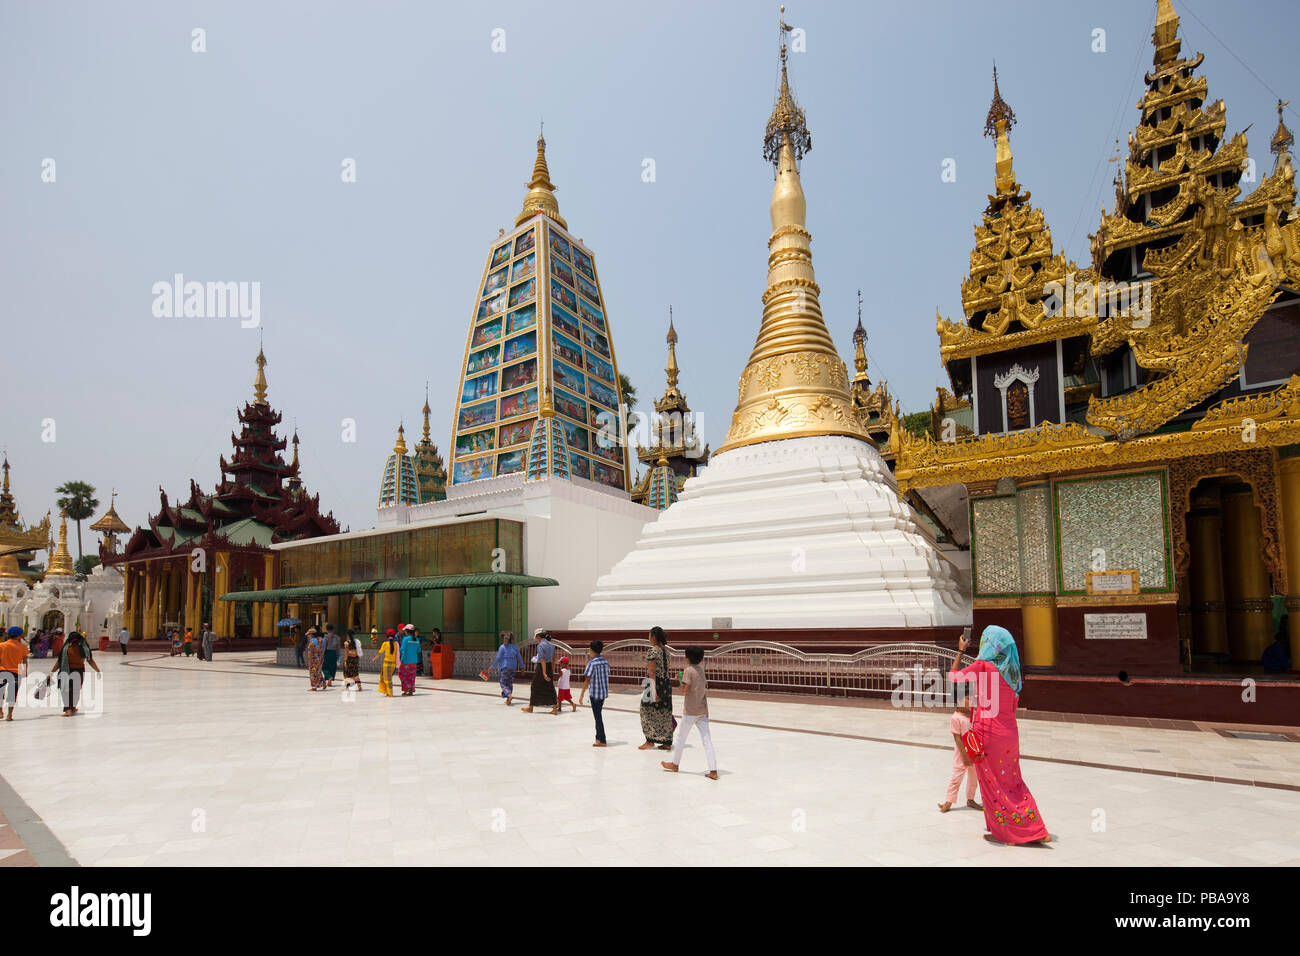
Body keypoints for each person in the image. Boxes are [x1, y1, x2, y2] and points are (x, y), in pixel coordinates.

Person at [949, 625, 1049, 846]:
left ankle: (1009, 833)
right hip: (1010, 735)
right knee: (1013, 782)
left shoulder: (984, 665)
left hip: (989, 735)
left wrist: (961, 650)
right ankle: (1035, 828)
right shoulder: (1012, 671)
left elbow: (954, 677)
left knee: (994, 784)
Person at [661, 645, 716, 778]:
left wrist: (679, 681)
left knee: (681, 738)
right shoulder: (702, 670)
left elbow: (685, 690)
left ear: (687, 658)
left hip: (690, 711)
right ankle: (713, 770)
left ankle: (675, 764)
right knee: (707, 740)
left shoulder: (688, 671)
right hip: (702, 710)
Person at [938, 703, 982, 813]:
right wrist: (965, 756)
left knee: (974, 777)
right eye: (966, 698)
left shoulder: (974, 713)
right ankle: (949, 801)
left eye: (970, 698)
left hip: (974, 750)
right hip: (962, 752)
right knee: (957, 777)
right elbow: (957, 738)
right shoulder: (956, 717)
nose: (970, 701)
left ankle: (970, 799)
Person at [50, 630, 101, 717]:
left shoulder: (67, 648)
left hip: (68, 671)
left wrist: (52, 672)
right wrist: (97, 670)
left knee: (67, 691)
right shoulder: (83, 648)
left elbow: (59, 662)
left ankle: (69, 709)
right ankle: (71, 708)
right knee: (74, 691)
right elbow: (90, 660)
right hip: (77, 671)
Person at [638, 626, 673, 750]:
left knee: (645, 711)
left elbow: (652, 672)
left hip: (654, 683)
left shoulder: (652, 651)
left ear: (653, 636)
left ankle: (650, 740)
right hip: (666, 684)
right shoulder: (666, 651)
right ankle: (667, 741)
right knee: (665, 712)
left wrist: (653, 691)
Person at [579, 640, 610, 747]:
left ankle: (603, 740)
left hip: (595, 694)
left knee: (598, 717)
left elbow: (587, 680)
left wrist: (582, 694)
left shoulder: (592, 663)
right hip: (603, 694)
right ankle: (598, 738)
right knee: (598, 715)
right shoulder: (605, 662)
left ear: (592, 650)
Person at [521, 629, 558, 715]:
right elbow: (554, 659)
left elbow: (542, 659)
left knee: (534, 686)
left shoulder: (540, 645)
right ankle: (555, 708)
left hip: (542, 667)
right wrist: (551, 671)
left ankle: (531, 707)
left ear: (538, 636)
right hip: (549, 667)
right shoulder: (551, 645)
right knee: (550, 686)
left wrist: (544, 673)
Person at [1, 626, 30, 721]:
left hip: (2, 671)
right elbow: (24, 661)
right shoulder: (23, 647)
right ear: (20, 636)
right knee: (12, 694)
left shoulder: (2, 645)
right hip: (15, 673)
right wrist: (23, 673)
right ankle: (9, 715)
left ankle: (0, 711)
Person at [488, 631, 523, 705]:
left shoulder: (502, 647)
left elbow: (498, 658)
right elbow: (519, 658)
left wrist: (492, 667)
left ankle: (509, 695)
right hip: (513, 668)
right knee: (509, 683)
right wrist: (522, 667)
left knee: (503, 683)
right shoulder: (515, 647)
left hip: (504, 667)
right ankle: (508, 700)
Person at [372, 629, 398, 697]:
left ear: (387, 636)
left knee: (387, 679)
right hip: (393, 664)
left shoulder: (385, 644)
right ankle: (388, 692)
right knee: (388, 678)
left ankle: (390, 693)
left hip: (387, 664)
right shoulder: (396, 644)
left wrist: (374, 658)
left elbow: (379, 653)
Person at [397, 624, 421, 695]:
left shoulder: (405, 639)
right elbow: (419, 650)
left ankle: (406, 690)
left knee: (402, 675)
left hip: (405, 661)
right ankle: (411, 690)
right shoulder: (416, 639)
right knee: (412, 677)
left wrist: (399, 659)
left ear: (407, 631)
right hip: (414, 662)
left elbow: (402, 650)